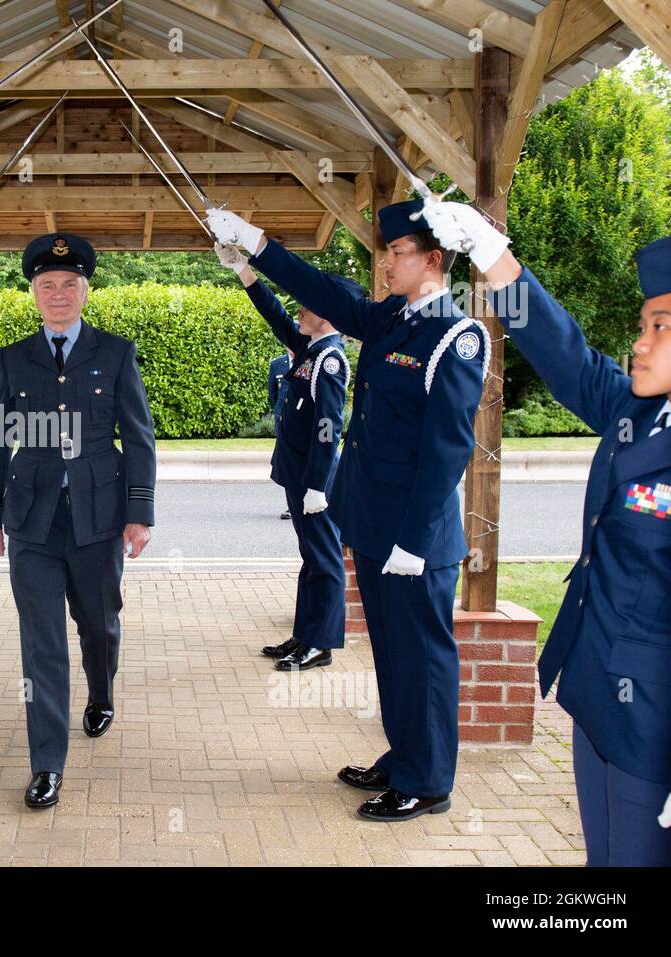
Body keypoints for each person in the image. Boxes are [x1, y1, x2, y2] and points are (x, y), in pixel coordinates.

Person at [208, 202, 488, 821]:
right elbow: (320, 296)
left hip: (416, 537)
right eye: (386, 254)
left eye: (397, 254)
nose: (385, 264)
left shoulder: (456, 336)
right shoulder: (393, 319)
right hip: (375, 526)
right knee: (391, 654)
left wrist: (414, 541)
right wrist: (257, 245)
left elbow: (447, 451)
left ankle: (429, 780)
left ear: (434, 261)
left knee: (423, 659)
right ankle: (404, 755)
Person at [423, 201, 671, 866]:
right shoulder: (640, 411)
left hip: (657, 726)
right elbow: (564, 354)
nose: (640, 342)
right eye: (642, 324)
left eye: (660, 326)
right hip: (599, 696)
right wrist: (490, 252)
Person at [0, 232, 156, 809]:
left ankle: (101, 692)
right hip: (31, 520)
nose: (58, 294)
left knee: (98, 621)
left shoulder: (115, 353)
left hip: (98, 517)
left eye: (68, 285)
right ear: (34, 293)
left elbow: (139, 436)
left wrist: (139, 513)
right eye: (47, 285)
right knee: (42, 643)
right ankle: (47, 764)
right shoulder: (12, 357)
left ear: (85, 290)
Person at [223, 250, 352, 670]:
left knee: (325, 559)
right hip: (299, 473)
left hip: (315, 480)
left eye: (311, 305)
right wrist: (245, 272)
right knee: (311, 557)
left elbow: (328, 427)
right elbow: (276, 315)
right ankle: (304, 635)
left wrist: (317, 484)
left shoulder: (329, 359)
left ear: (330, 316)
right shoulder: (310, 348)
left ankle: (322, 645)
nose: (301, 307)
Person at [269, 348, 295, 520]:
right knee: (287, 463)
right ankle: (291, 505)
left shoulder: (309, 361)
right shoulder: (277, 364)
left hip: (301, 419)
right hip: (282, 418)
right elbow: (273, 393)